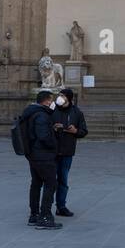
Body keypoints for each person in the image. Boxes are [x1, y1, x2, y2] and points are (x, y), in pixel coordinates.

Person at [20, 91, 62, 229]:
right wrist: (53, 145)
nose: (53, 103)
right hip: (43, 155)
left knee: (36, 183)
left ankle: (34, 215)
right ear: (47, 101)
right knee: (51, 184)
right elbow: (43, 136)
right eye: (51, 100)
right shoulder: (42, 115)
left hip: (33, 154)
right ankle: (44, 217)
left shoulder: (31, 112)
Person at [52, 87, 88, 217]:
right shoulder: (52, 109)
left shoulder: (76, 112)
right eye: (59, 95)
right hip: (52, 151)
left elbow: (84, 131)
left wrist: (75, 131)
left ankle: (61, 206)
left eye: (63, 95)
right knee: (50, 180)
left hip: (67, 151)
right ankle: (45, 207)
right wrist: (53, 127)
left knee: (63, 181)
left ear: (69, 98)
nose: (60, 97)